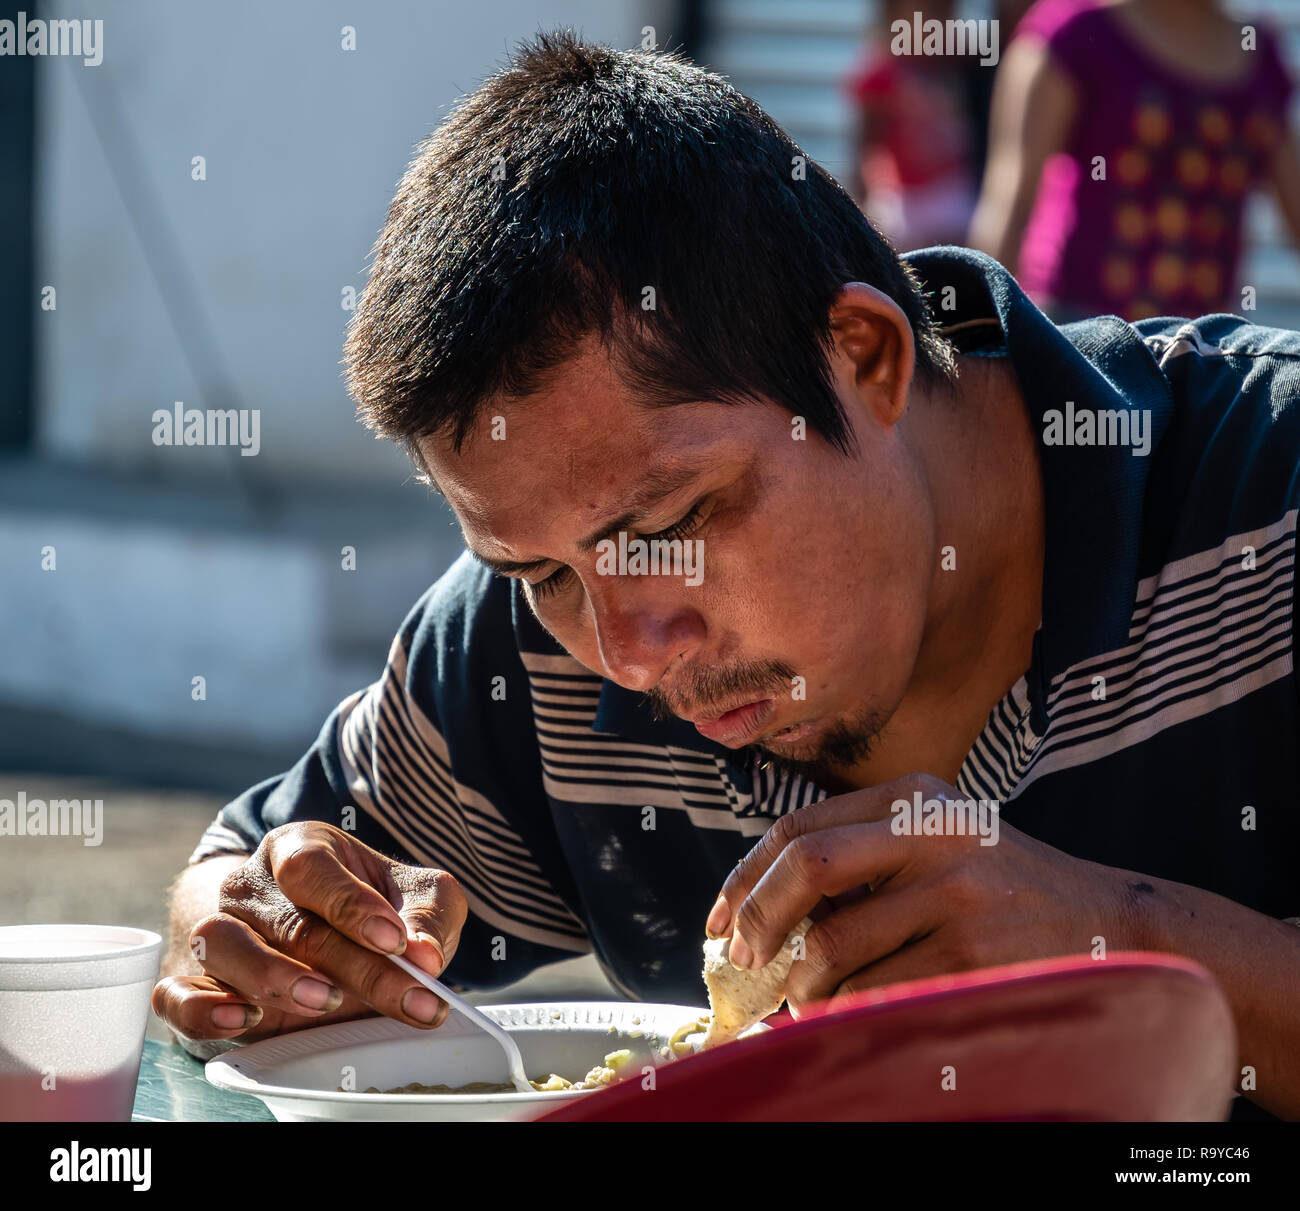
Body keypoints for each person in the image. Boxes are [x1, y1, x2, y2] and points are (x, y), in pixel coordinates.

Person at [152, 32, 1300, 1119]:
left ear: (866, 358)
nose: (629, 650)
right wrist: (260, 942)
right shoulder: (527, 652)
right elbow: (246, 878)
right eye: (539, 568)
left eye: (672, 522)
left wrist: (1129, 941)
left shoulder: (1271, 505)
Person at [969, 0, 1300, 322]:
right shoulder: (1075, 34)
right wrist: (980, 341)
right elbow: (1010, 204)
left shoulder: (1259, 57)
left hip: (1202, 352)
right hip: (1075, 342)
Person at [845, 1, 987, 249]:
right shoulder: (883, 70)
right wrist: (857, 207)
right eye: (929, 13)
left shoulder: (963, 65)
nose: (939, 24)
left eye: (947, 14)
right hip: (904, 196)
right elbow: (865, 145)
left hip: (954, 193)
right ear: (895, 15)